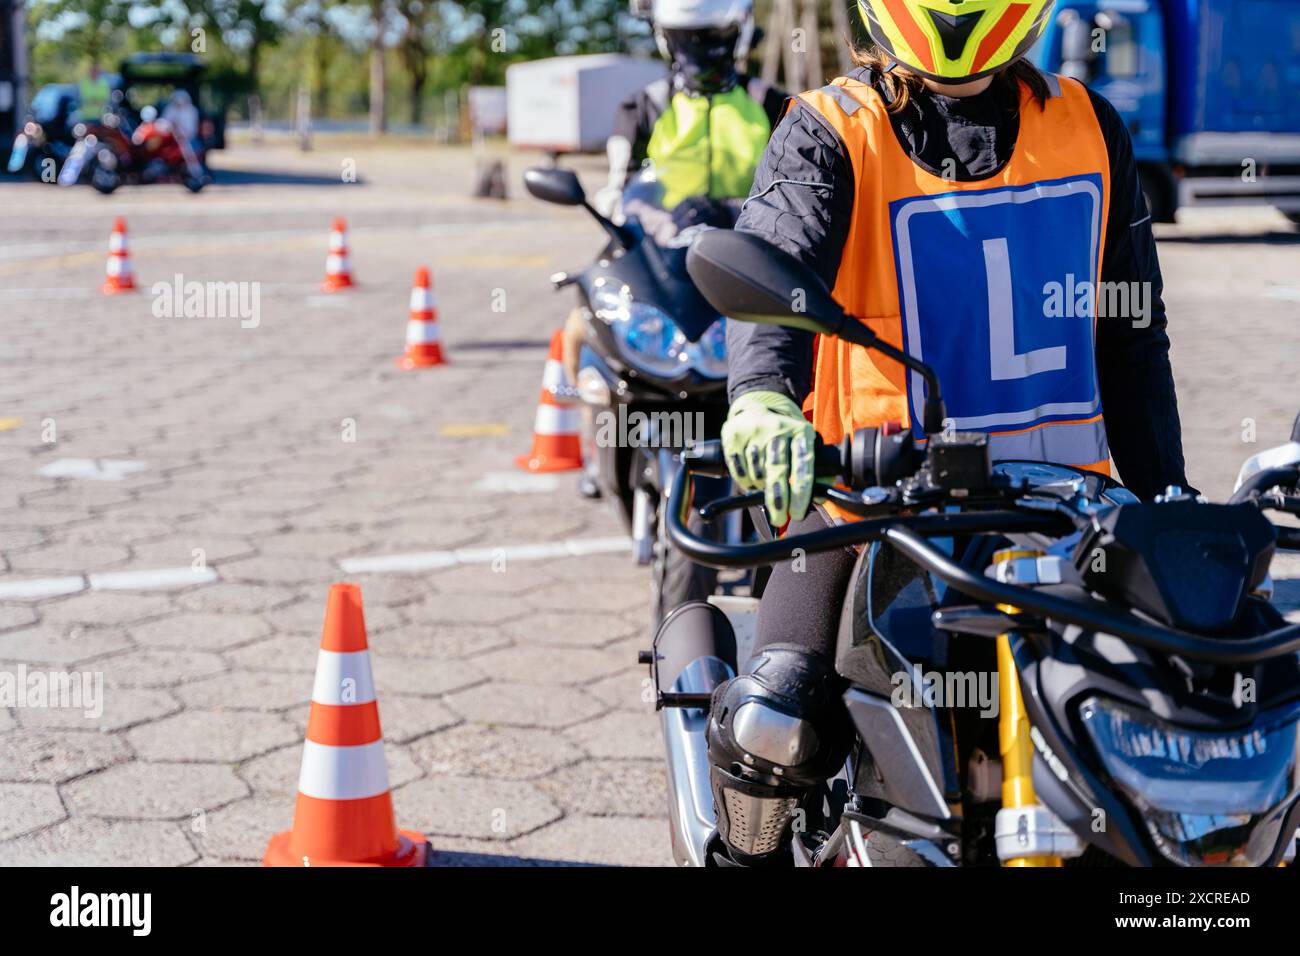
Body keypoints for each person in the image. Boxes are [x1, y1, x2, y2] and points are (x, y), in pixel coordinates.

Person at [705, 0, 1193, 864]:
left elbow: (1131, 337)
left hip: (1067, 517)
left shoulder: (1089, 123)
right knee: (772, 718)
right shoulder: (831, 130)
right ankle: (742, 854)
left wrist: (1167, 497)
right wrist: (760, 397)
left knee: (1182, 706)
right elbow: (774, 273)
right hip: (867, 510)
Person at [562, 0, 786, 497]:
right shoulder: (643, 105)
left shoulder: (774, 104)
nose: (700, 51)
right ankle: (592, 446)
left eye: (713, 37)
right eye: (688, 38)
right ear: (665, 38)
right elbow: (619, 188)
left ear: (740, 34)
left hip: (746, 255)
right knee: (583, 319)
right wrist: (644, 213)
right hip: (659, 252)